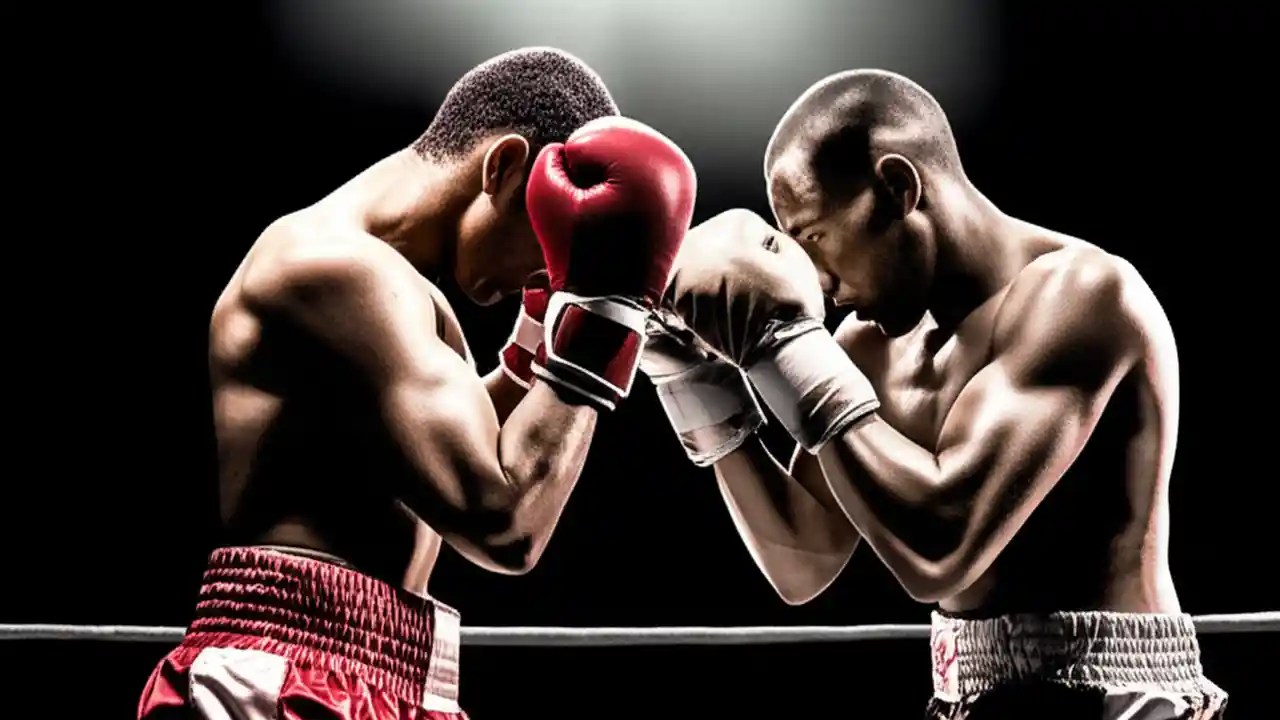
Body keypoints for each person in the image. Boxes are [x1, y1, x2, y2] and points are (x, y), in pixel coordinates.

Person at [641, 70, 1226, 718]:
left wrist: (782, 347)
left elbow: (941, 549)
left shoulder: (1081, 297)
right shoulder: (869, 346)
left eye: (815, 235)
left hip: (1123, 695)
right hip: (965, 695)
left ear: (897, 188)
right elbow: (803, 560)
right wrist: (694, 377)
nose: (817, 280)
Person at [137, 47, 696, 720]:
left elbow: (455, 454)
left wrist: (534, 344)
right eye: (548, 242)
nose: (540, 274)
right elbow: (504, 522)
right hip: (284, 672)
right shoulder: (332, 268)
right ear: (504, 166)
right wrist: (608, 312)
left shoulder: (390, 294)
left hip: (381, 671)